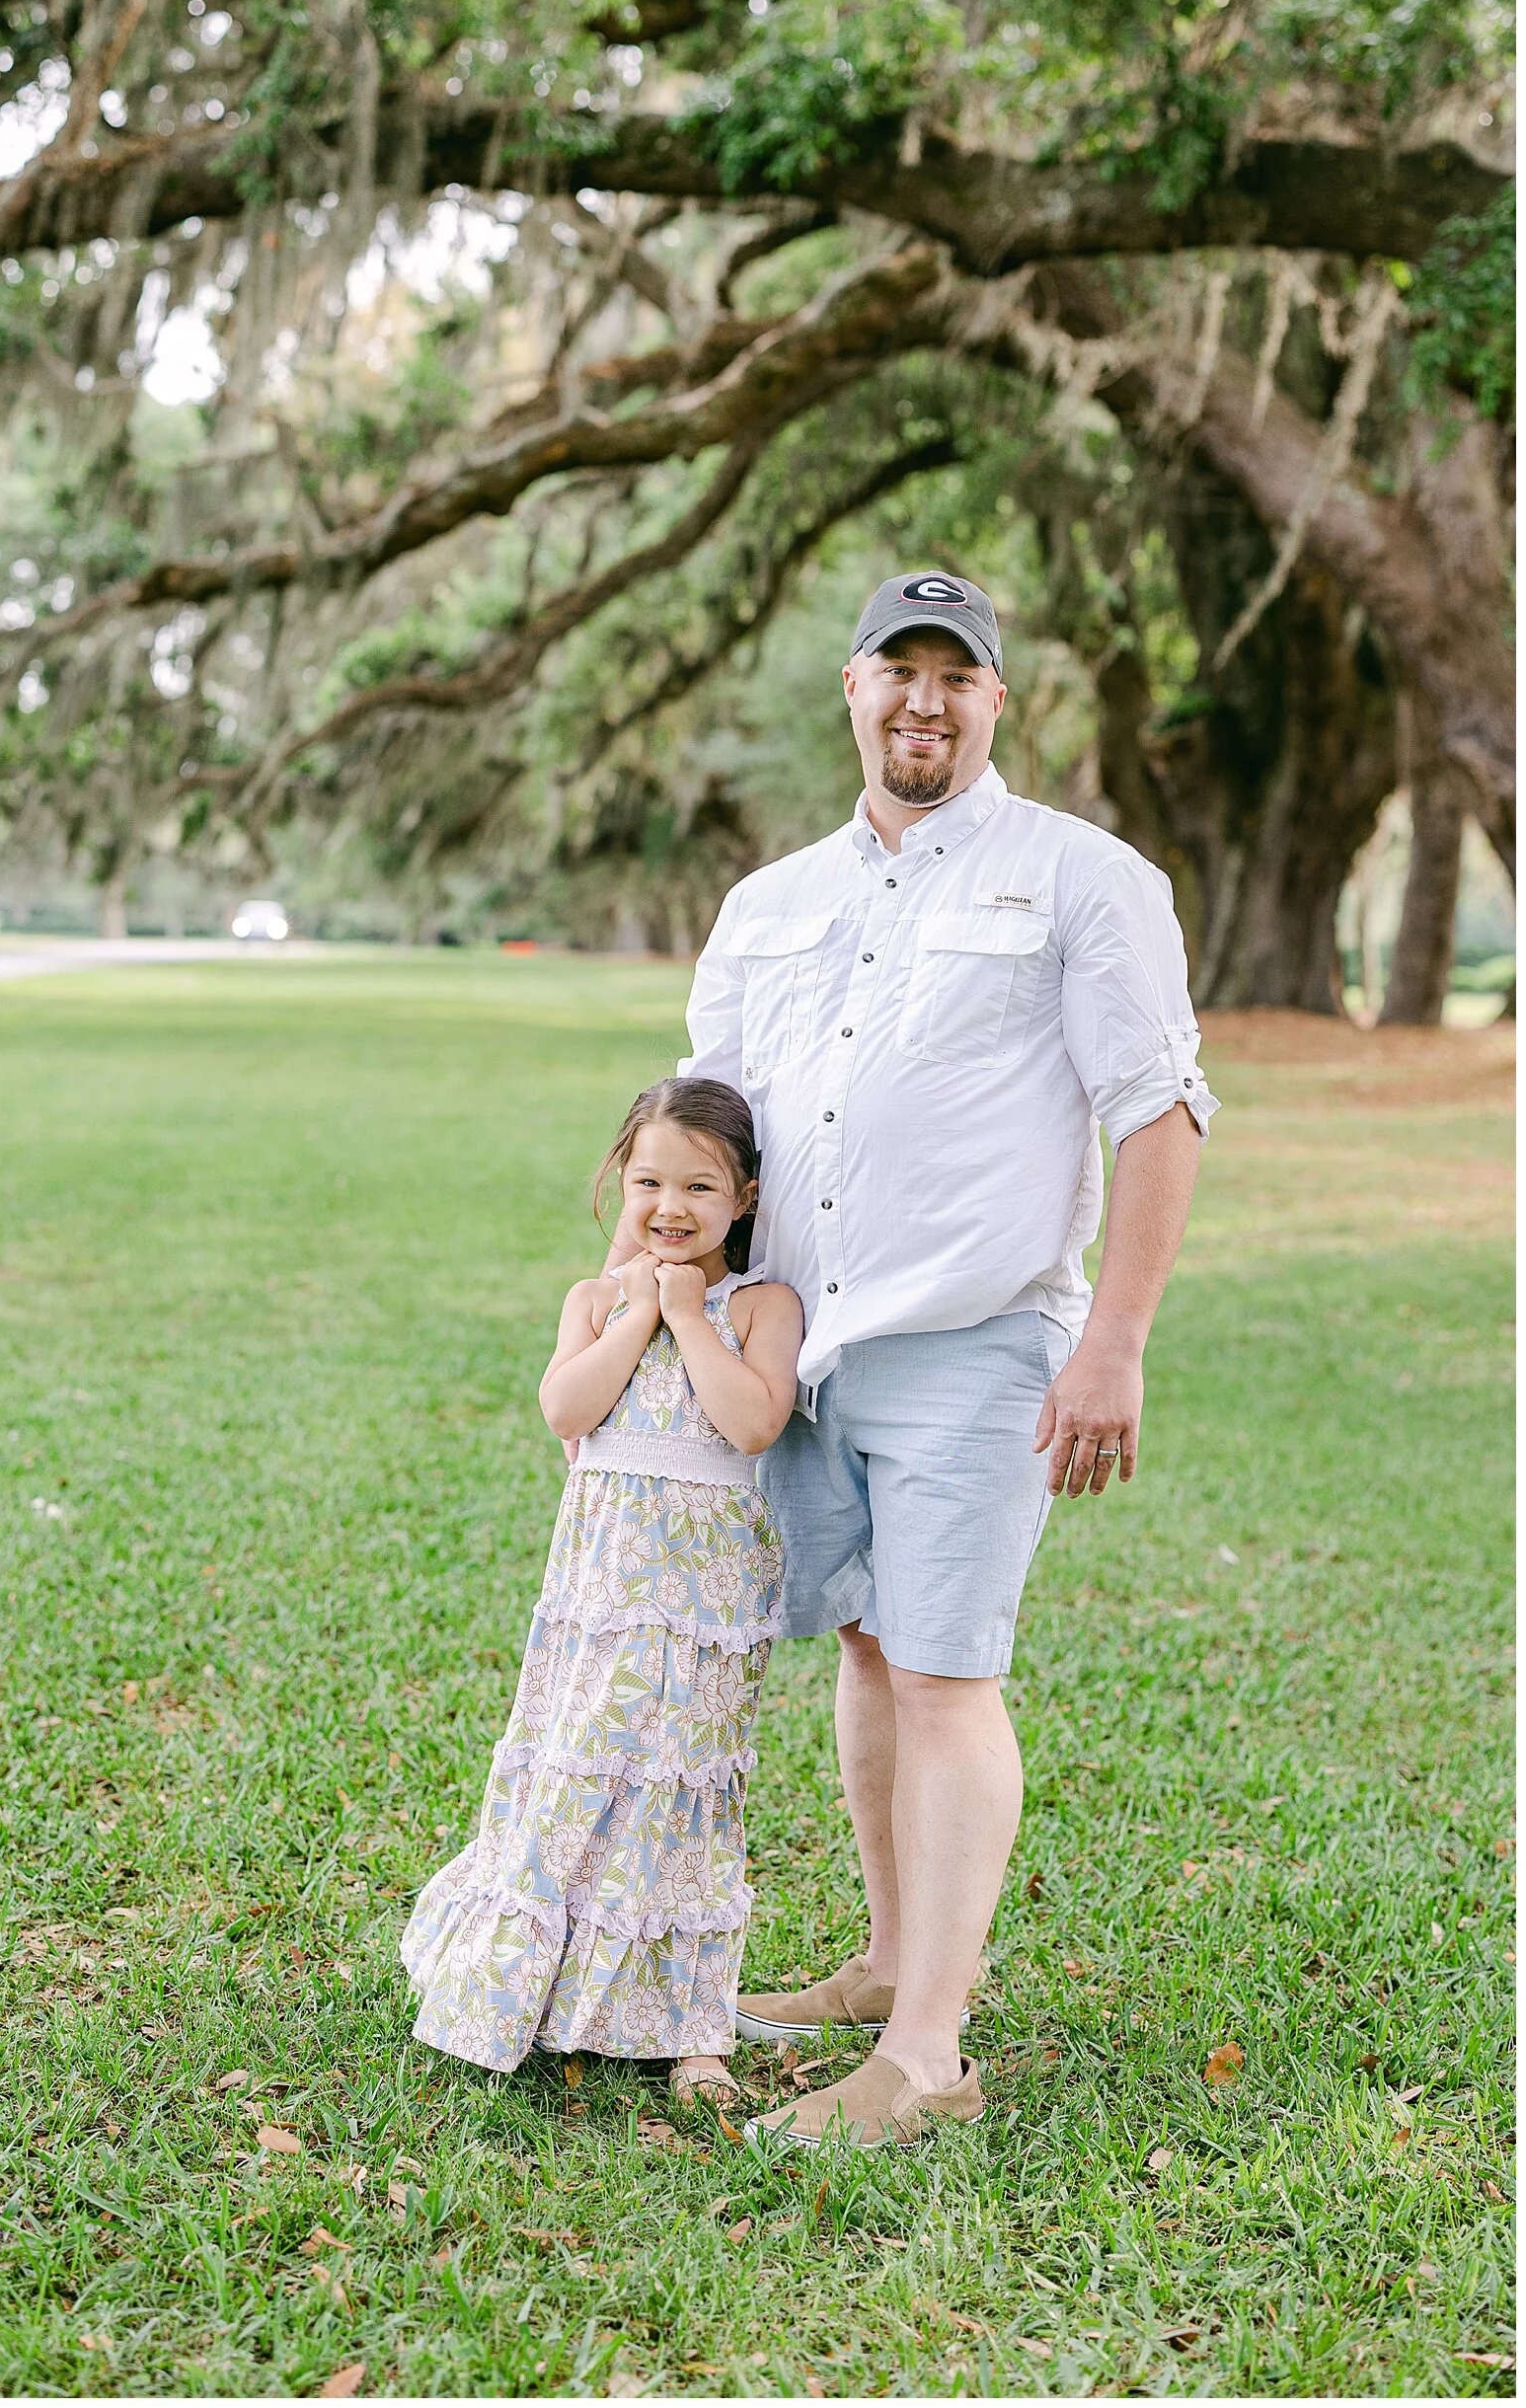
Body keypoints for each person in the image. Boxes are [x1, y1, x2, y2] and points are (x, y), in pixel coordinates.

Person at [678, 567, 1217, 2150]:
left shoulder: (1081, 878)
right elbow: (709, 1136)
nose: (923, 697)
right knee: (862, 1641)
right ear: (850, 688)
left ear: (997, 702)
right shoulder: (768, 902)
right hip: (795, 1342)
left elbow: (1158, 1109)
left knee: (945, 1668)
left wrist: (1114, 1338)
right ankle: (890, 1956)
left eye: (954, 674)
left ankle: (926, 2059)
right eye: (895, 669)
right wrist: (675, 1310)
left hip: (975, 1339)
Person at [402, 1078, 803, 2106]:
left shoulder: (761, 1305)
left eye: (700, 1185)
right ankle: (526, 1985)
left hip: (703, 1600)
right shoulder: (594, 1298)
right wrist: (636, 1310)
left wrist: (689, 1316)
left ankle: (690, 2022)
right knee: (578, 1765)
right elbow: (564, 1407)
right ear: (617, 1184)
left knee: (682, 1788)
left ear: (745, 1197)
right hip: (600, 1586)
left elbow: (753, 1422)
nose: (671, 1204)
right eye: (649, 1180)